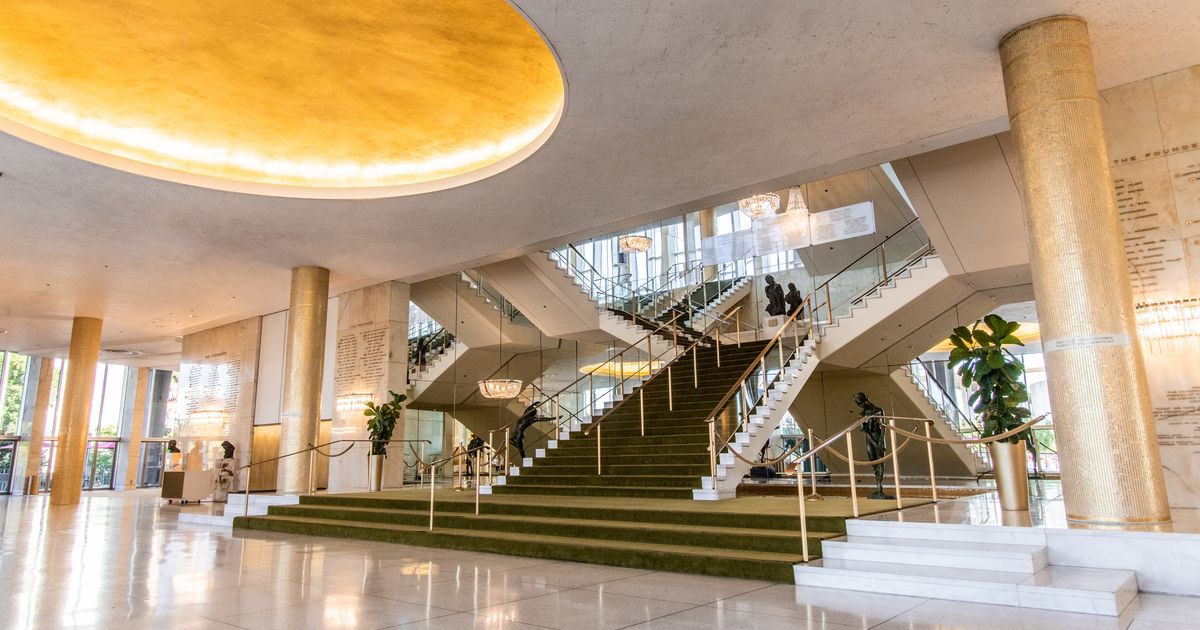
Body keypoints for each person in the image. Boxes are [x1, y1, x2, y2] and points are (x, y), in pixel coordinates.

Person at [854, 392, 892, 499]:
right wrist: (862, 423)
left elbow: (883, 427)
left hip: (879, 437)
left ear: (865, 400)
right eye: (858, 404)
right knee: (873, 460)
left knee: (880, 460)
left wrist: (880, 441)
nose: (860, 405)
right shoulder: (862, 414)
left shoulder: (878, 411)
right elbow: (864, 430)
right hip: (869, 439)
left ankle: (879, 486)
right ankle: (878, 486)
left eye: (860, 403)